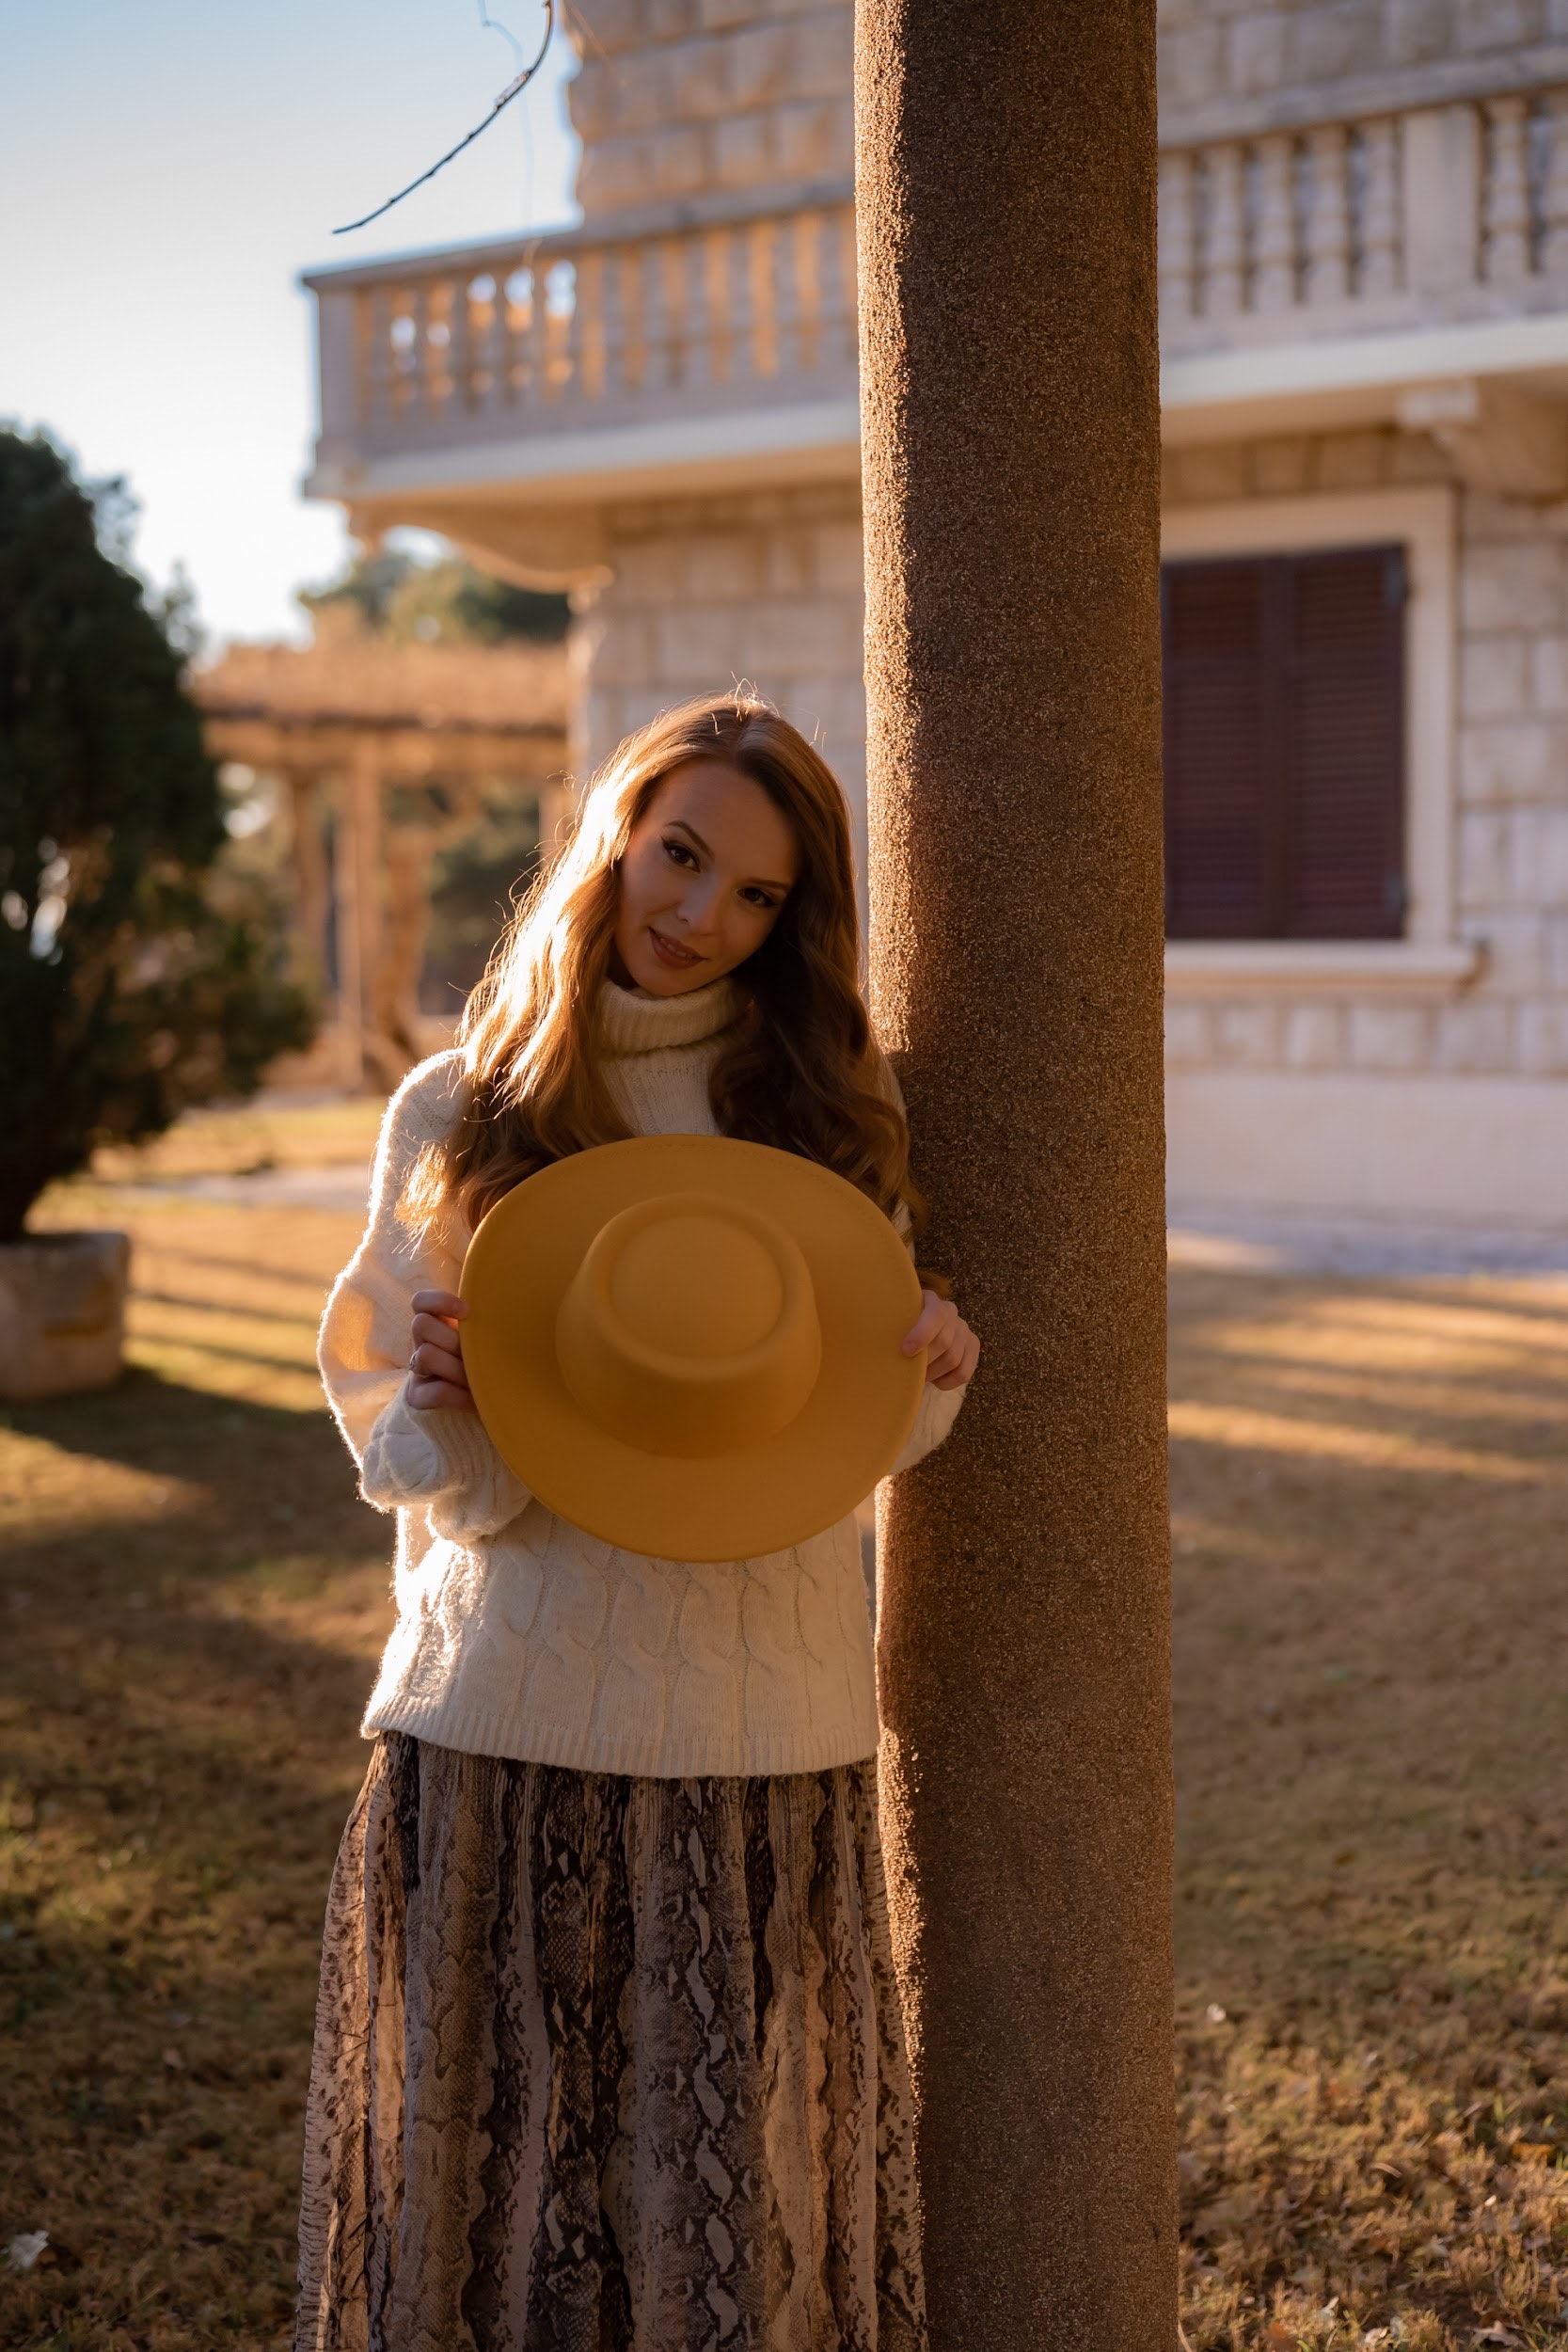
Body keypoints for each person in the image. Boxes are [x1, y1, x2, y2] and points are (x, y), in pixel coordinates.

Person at [296, 692, 979, 2352]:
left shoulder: (822, 1120)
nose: (700, 915)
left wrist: (930, 1370)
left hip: (766, 1743)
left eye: (756, 894)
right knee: (497, 2238)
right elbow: (404, 1448)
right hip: (506, 1728)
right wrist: (465, 1413)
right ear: (612, 834)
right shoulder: (464, 1107)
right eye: (679, 854)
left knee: (726, 2251)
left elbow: (843, 1447)